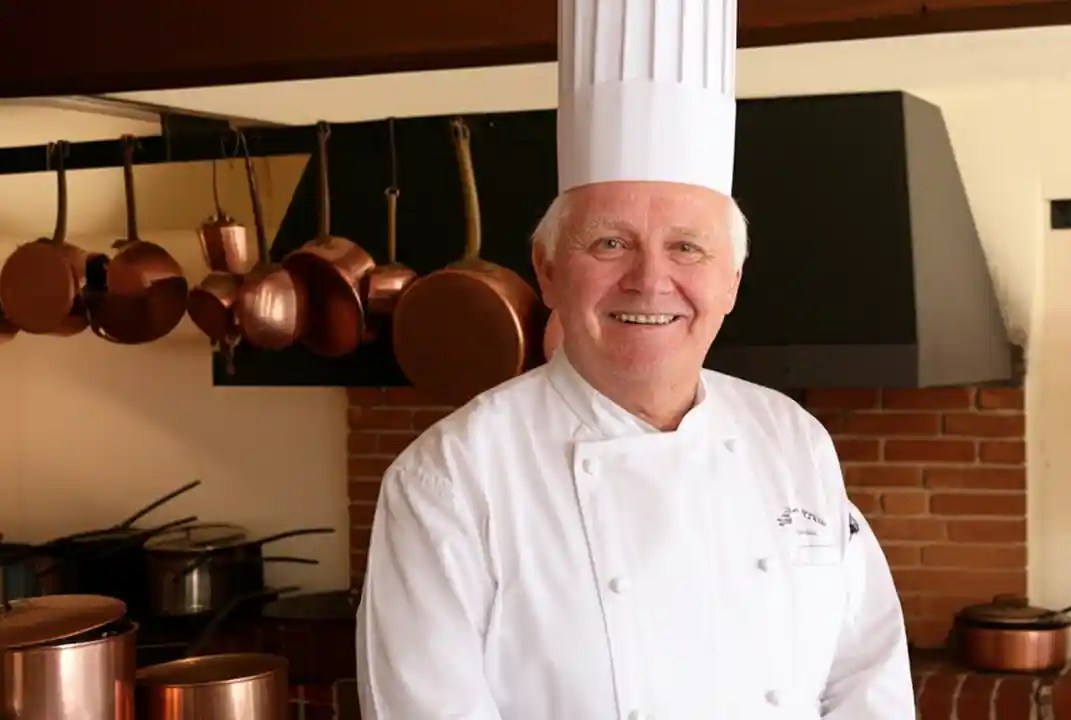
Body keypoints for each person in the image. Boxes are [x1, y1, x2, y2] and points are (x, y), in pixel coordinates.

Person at [354, 0, 916, 717]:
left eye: (687, 246)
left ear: (731, 282)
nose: (650, 280)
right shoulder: (453, 479)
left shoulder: (793, 438)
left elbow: (868, 674)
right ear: (549, 269)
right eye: (610, 243)